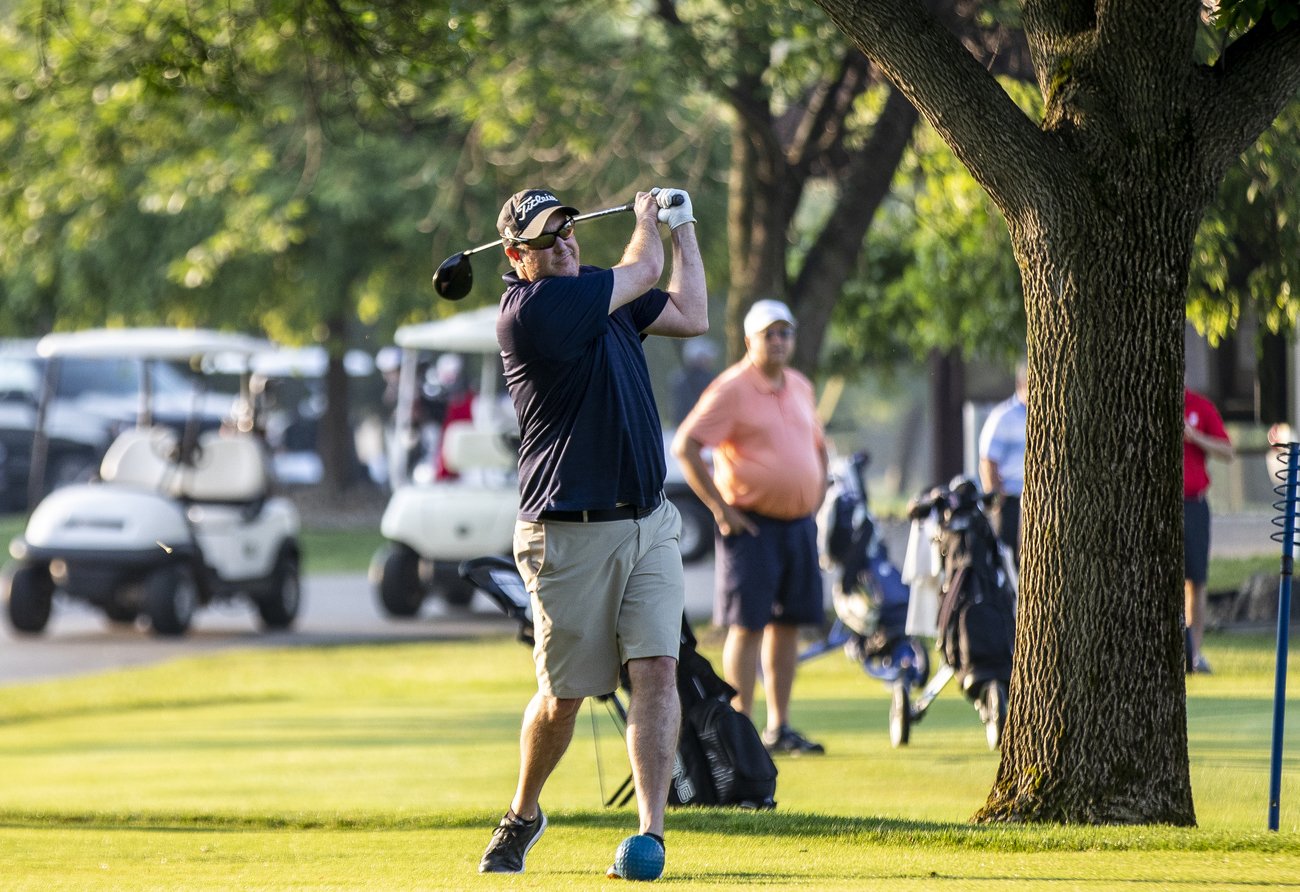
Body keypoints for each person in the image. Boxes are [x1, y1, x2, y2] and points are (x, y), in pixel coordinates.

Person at [478, 187, 706, 878]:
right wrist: (647, 222)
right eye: (547, 238)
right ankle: (523, 812)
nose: (565, 243)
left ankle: (650, 834)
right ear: (516, 257)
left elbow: (691, 315)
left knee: (658, 669)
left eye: (569, 229)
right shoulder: (532, 311)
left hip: (648, 522)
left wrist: (684, 227)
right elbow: (643, 270)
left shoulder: (603, 293)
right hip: (566, 533)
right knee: (564, 698)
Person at [671, 299, 828, 757]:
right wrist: (720, 509)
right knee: (747, 625)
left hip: (798, 525)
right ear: (748, 341)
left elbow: (816, 446)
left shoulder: (800, 385)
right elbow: (687, 446)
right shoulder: (732, 389)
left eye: (785, 333)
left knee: (788, 625)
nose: (778, 341)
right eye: (768, 334)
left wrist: (814, 495)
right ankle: (740, 733)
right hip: (751, 526)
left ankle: (779, 727)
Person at [1184, 384, 1234, 675]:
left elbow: (1228, 451)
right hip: (1162, 505)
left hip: (1194, 503)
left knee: (1196, 580)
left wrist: (1196, 437)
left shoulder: (1200, 407)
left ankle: (1194, 653)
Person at [978, 360, 1028, 565]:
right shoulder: (1003, 416)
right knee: (1007, 557)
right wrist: (997, 499)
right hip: (1011, 500)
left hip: (1037, 498)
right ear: (1020, 385)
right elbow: (988, 460)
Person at [669, 337, 718, 425]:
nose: (711, 361)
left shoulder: (679, 378)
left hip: (683, 425)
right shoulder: (706, 379)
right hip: (702, 425)